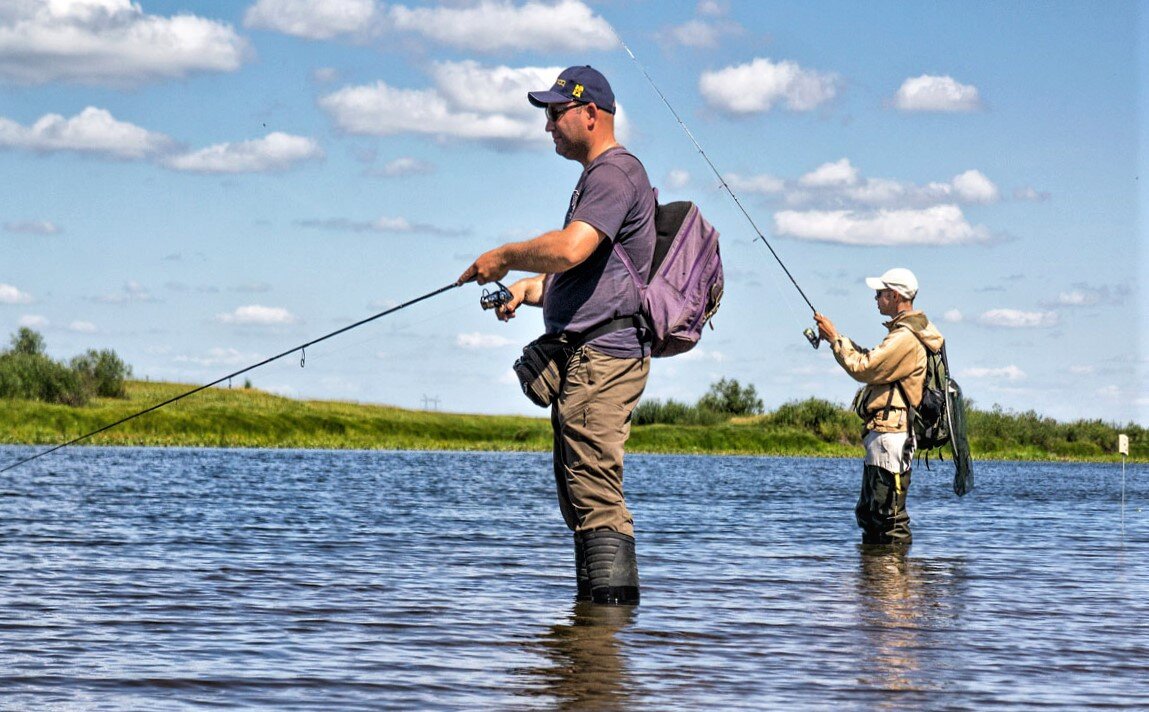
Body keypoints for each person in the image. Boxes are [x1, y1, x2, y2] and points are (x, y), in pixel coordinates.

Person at [457, 66, 655, 605]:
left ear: (590, 114)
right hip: (591, 356)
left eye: (554, 112)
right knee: (581, 495)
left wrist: (501, 256)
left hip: (602, 359)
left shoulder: (614, 174)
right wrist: (526, 289)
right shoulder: (601, 178)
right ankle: (591, 647)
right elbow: (591, 276)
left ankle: (604, 645)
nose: (547, 125)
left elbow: (571, 249)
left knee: (594, 495)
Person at [813, 268, 944, 546]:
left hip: (891, 437)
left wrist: (836, 340)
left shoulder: (904, 338)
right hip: (886, 436)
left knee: (888, 518)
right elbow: (874, 361)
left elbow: (865, 368)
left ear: (894, 295)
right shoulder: (905, 334)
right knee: (871, 514)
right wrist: (837, 339)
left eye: (880, 293)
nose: (875, 298)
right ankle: (876, 582)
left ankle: (895, 584)